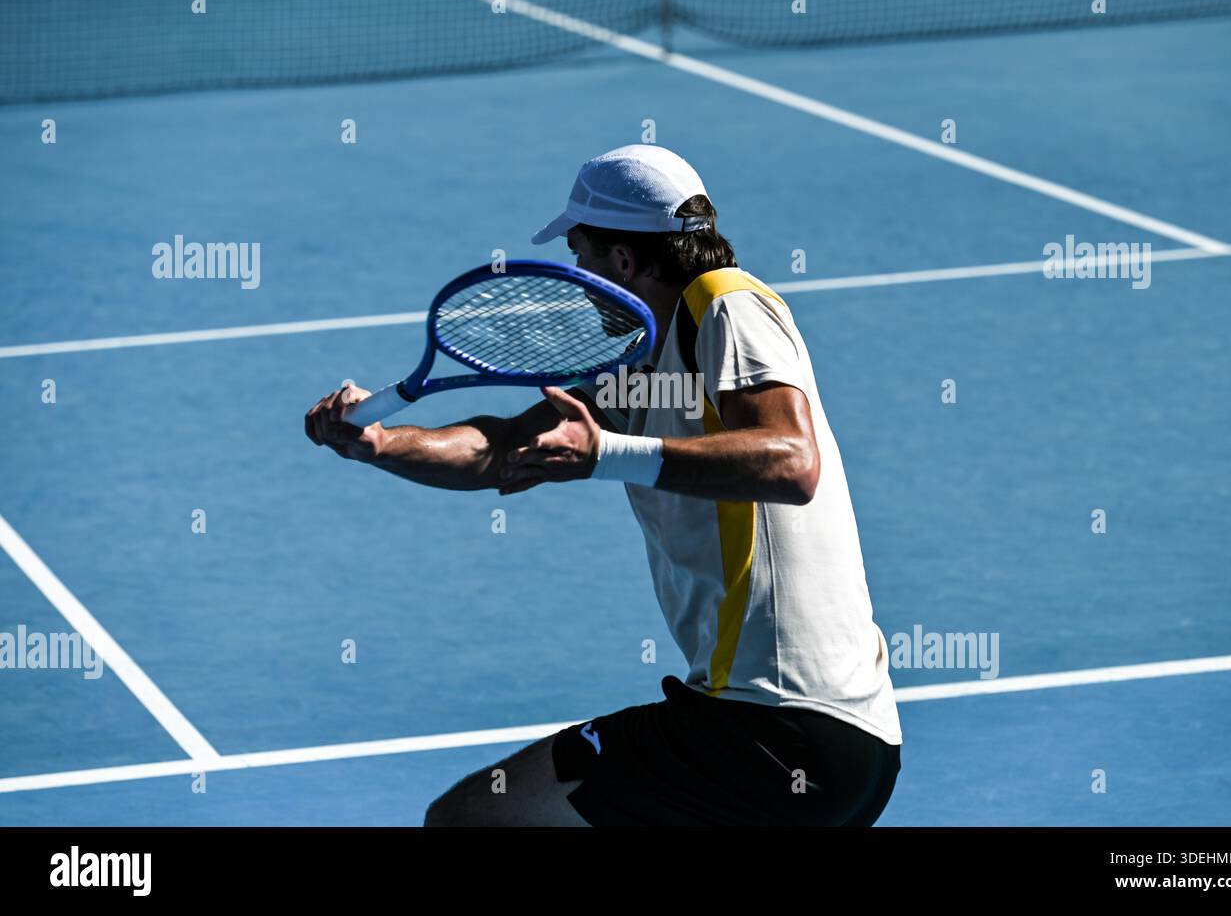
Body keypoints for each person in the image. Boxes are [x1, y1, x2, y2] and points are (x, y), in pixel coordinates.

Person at [305, 144, 901, 826]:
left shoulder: (725, 304)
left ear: (623, 261)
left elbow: (792, 462)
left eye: (581, 255)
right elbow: (500, 448)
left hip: (772, 723)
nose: (578, 277)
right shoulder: (636, 366)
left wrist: (609, 452)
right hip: (827, 741)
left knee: (474, 820)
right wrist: (382, 444)